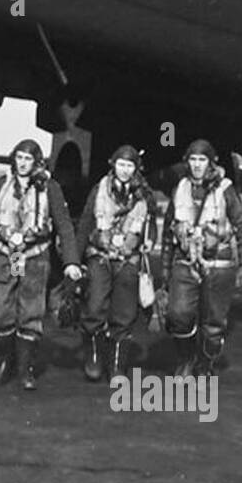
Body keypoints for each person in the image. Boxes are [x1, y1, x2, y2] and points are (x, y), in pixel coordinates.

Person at [0, 140, 81, 391]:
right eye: (19, 157)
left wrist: (71, 262)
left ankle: (25, 368)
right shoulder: (4, 185)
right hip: (7, 256)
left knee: (30, 312)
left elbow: (64, 225)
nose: (22, 163)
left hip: (34, 256)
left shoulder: (50, 188)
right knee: (1, 310)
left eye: (28, 159)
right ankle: (5, 361)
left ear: (36, 163)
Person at [161, 139, 242, 378]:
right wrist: (164, 268)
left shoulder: (225, 190)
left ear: (211, 163)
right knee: (178, 316)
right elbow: (167, 231)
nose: (197, 165)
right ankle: (186, 359)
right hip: (185, 261)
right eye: (192, 159)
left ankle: (205, 365)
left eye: (202, 160)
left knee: (213, 325)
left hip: (219, 263)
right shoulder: (180, 188)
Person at [76, 144, 157, 381]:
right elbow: (84, 225)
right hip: (100, 257)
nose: (125, 170)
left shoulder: (144, 194)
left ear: (136, 168)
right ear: (113, 165)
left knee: (124, 313)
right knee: (94, 306)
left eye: (130, 165)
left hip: (128, 260)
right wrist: (73, 262)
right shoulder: (99, 190)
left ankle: (116, 366)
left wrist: (150, 239)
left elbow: (151, 223)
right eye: (121, 164)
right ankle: (93, 358)